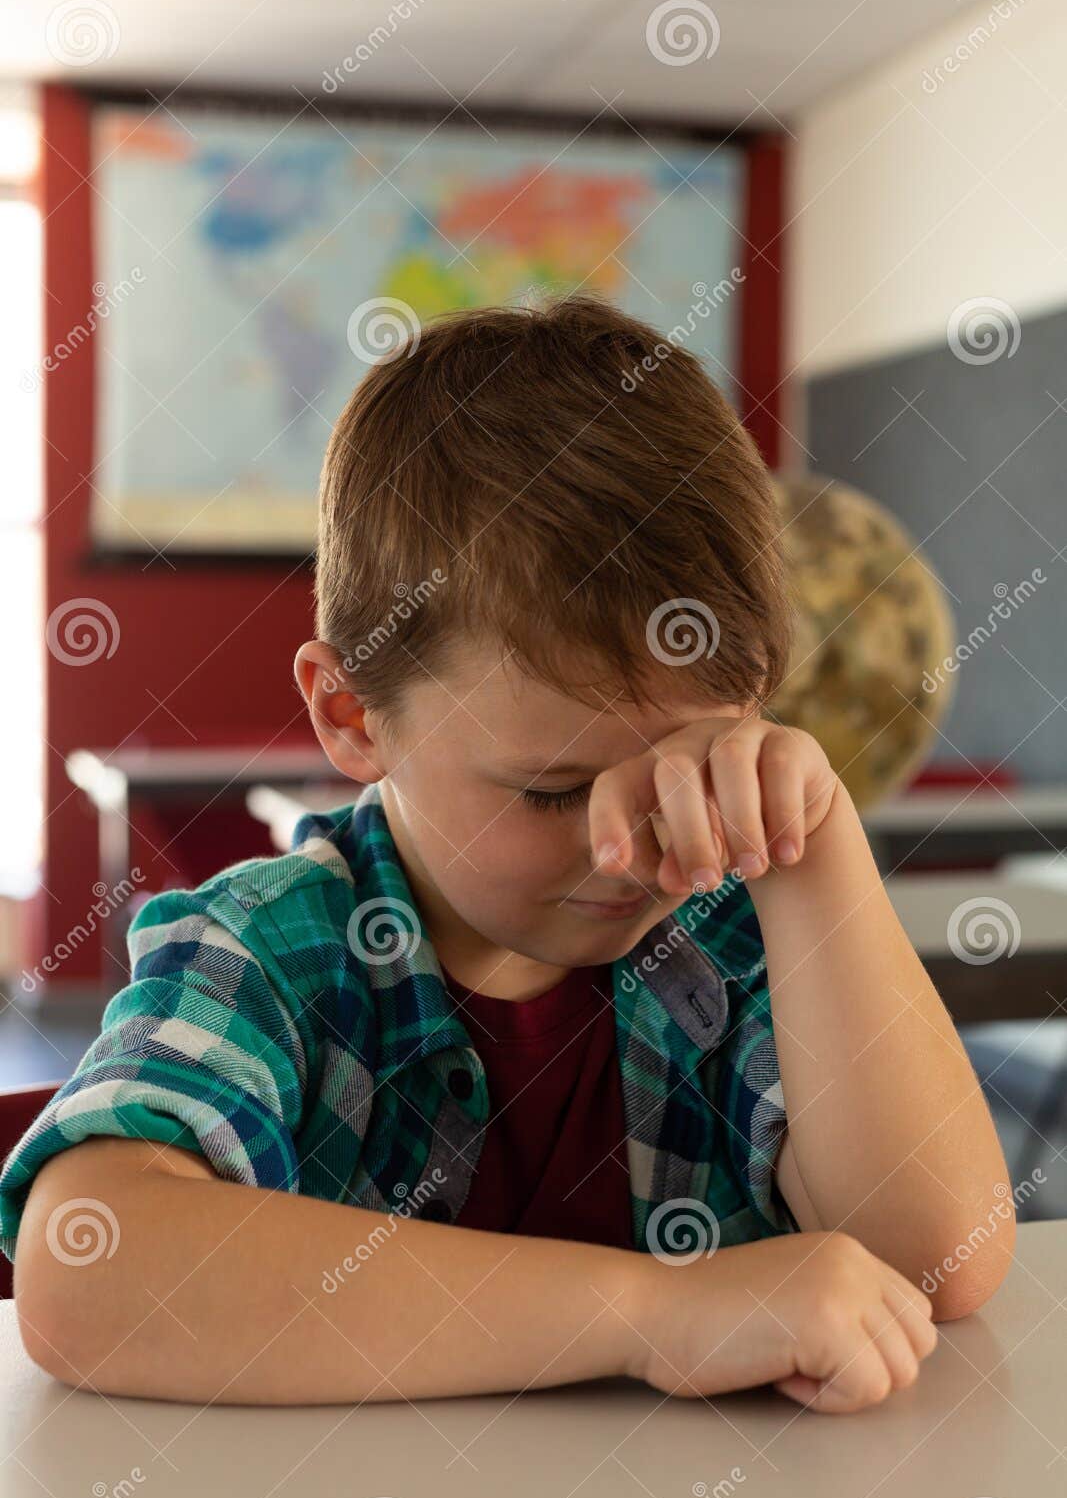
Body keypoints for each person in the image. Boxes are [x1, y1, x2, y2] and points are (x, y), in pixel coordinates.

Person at [1, 294, 1012, 1412]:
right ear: (351, 714)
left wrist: (814, 855)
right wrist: (650, 1314)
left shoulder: (737, 936)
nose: (628, 851)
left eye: (682, 767)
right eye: (552, 791)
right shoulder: (268, 947)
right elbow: (84, 1273)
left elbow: (936, 1262)